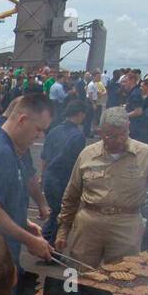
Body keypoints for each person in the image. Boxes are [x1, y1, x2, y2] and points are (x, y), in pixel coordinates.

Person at [54, 108, 148, 267]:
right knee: (81, 273)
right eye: (110, 135)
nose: (117, 140)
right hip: (89, 223)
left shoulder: (146, 154)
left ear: (128, 127)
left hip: (126, 223)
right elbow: (72, 194)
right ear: (100, 131)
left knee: (123, 275)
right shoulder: (87, 154)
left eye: (123, 134)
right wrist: (63, 230)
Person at [0, 92, 53, 265]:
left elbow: (5, 202)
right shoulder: (0, 153)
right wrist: (30, 240)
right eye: (39, 129)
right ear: (22, 120)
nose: (40, 136)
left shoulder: (11, 148)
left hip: (1, 248)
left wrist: (23, 222)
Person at [40, 101, 88, 244]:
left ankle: (44, 244)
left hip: (50, 176)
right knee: (60, 215)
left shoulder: (54, 130)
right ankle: (46, 245)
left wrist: (42, 176)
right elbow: (77, 163)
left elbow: (44, 156)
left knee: (55, 212)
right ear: (79, 114)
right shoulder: (78, 136)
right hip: (64, 179)